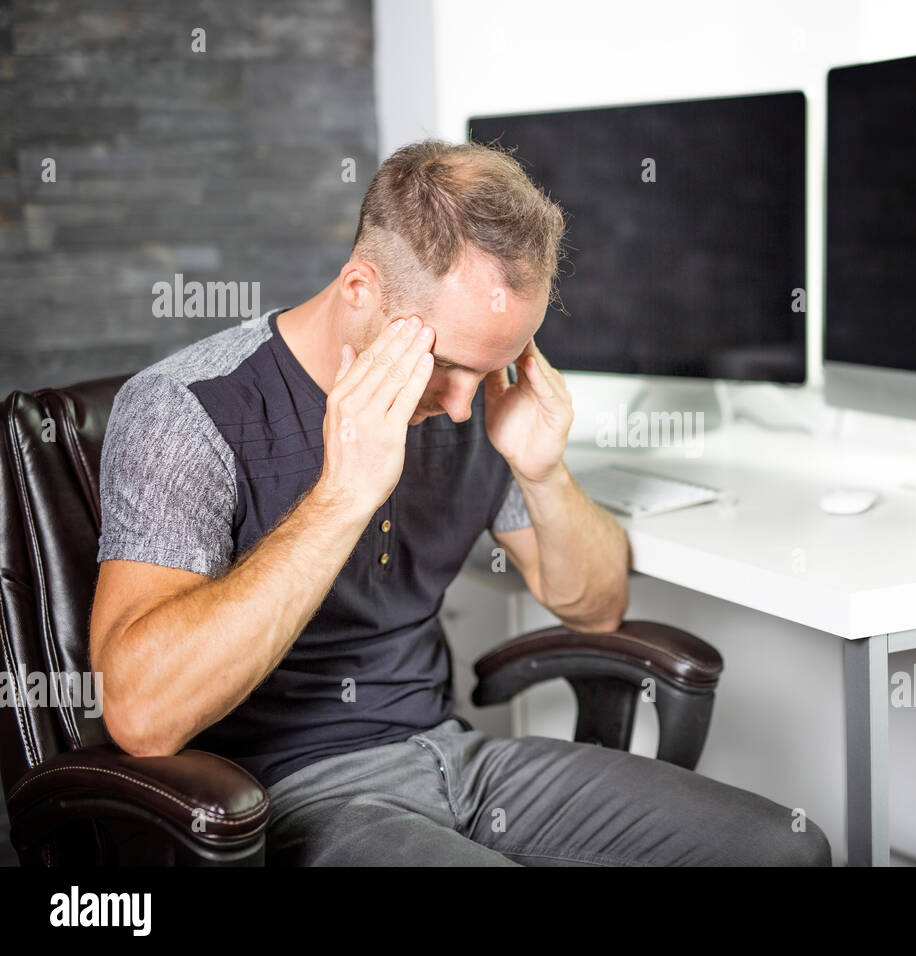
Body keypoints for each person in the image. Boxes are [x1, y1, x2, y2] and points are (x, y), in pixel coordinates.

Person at [89, 139, 832, 866]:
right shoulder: (187, 410)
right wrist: (343, 495)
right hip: (289, 796)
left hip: (459, 760)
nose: (460, 406)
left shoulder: (473, 401)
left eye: (495, 367)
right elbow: (142, 715)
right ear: (359, 291)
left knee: (784, 848)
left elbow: (594, 608)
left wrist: (542, 473)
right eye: (442, 364)